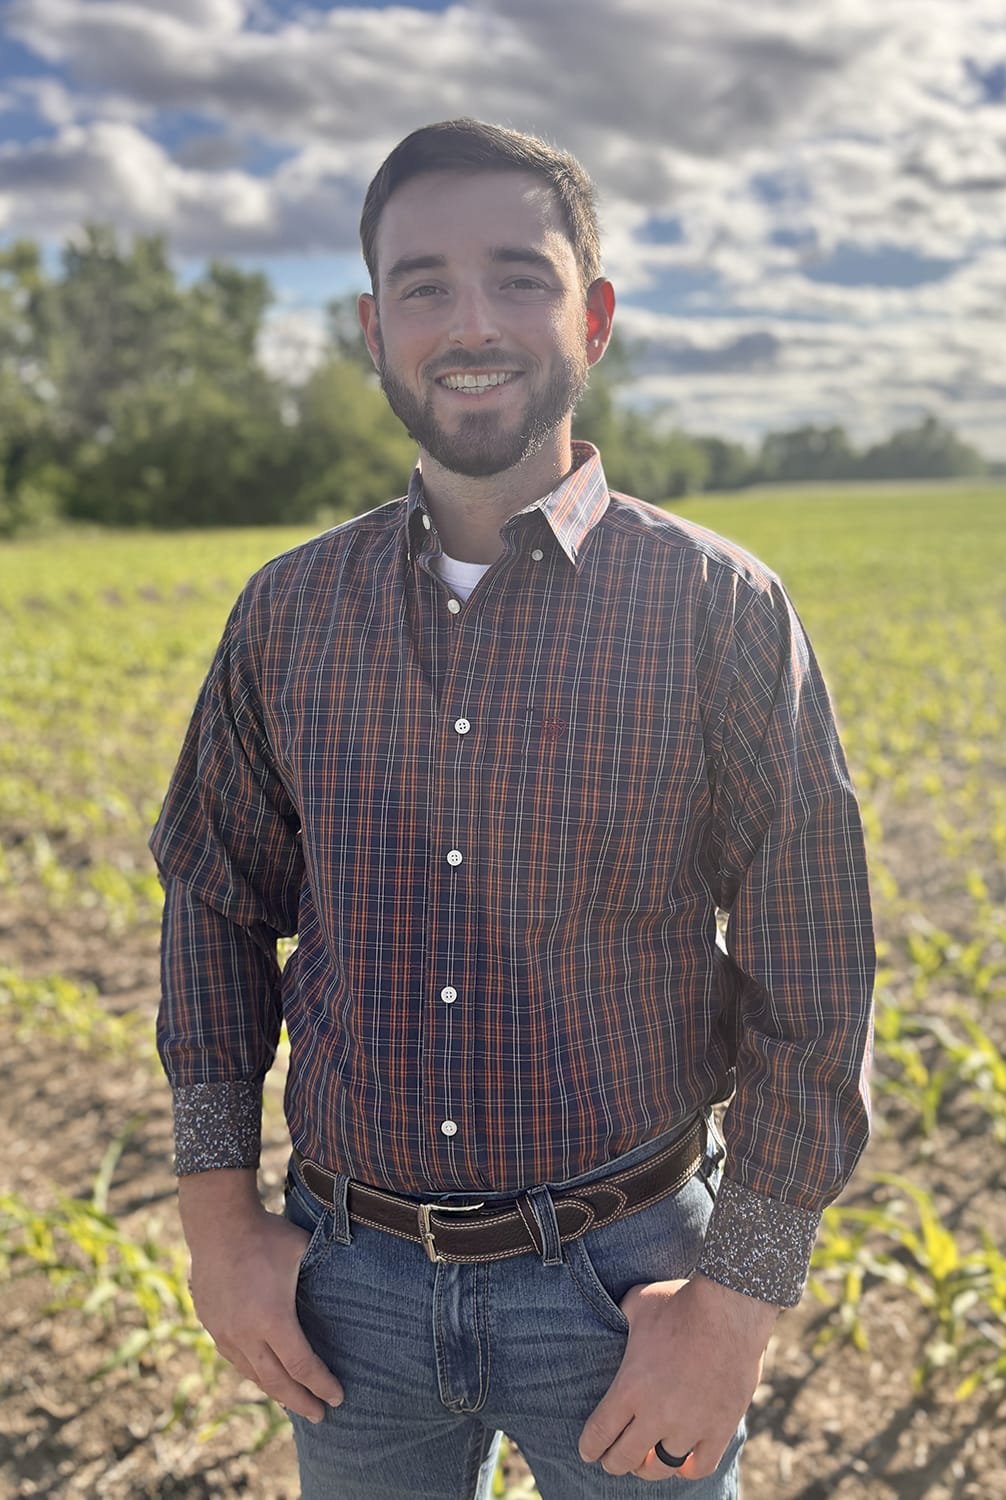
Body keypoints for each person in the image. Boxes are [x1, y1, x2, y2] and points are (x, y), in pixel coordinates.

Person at [151, 118, 874, 1499]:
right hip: (347, 1295)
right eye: (422, 284)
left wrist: (737, 1307)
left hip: (631, 1291)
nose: (468, 321)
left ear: (591, 315)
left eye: (519, 277)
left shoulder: (720, 612)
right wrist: (216, 1221)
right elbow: (216, 900)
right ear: (374, 328)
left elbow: (817, 975)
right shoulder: (288, 613)